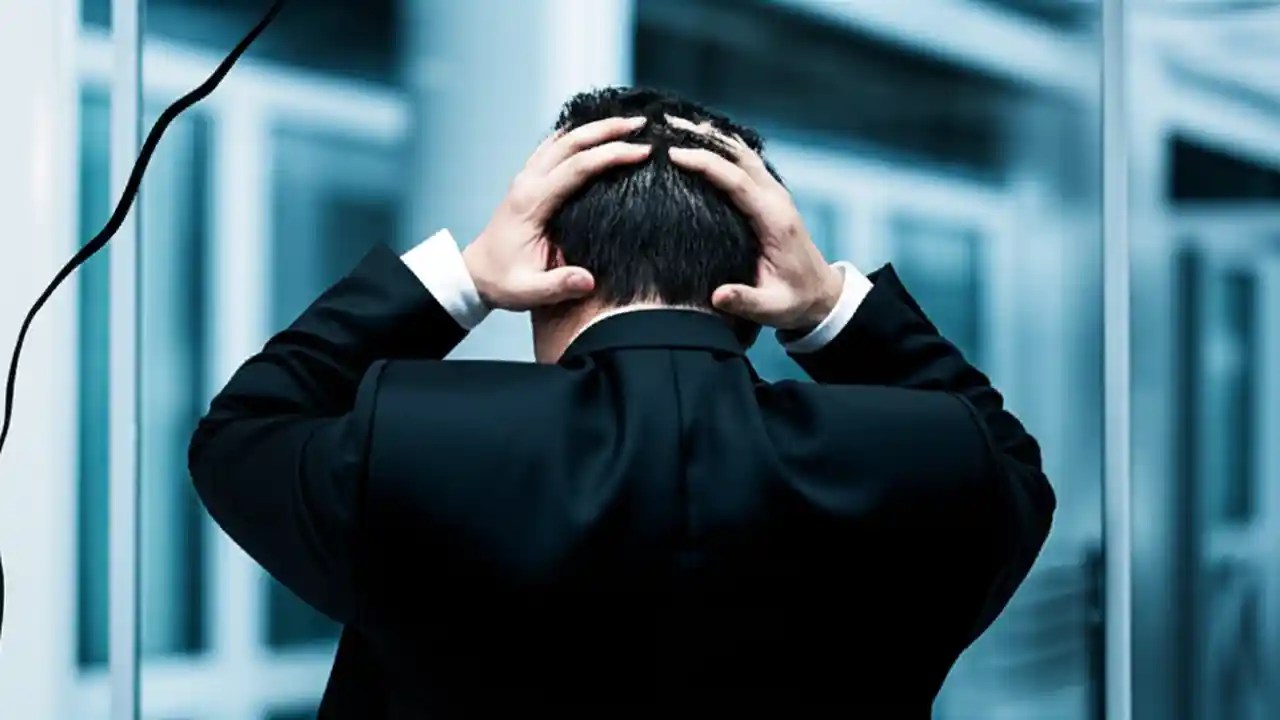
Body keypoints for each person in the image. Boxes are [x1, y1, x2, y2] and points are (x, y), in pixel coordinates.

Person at [189, 87, 1055, 717]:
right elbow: (1014, 469)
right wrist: (831, 303)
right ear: (760, 269)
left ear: (548, 256)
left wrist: (462, 279)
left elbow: (241, 435)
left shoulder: (416, 441)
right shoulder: (922, 463)